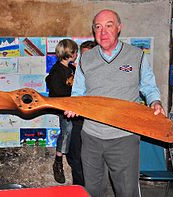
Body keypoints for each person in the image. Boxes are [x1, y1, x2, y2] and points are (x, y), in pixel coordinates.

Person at [65, 9, 165, 197]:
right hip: (91, 137)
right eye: (98, 27)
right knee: (93, 191)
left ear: (119, 28)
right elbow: (78, 93)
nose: (103, 32)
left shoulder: (137, 56)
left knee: (127, 191)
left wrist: (155, 102)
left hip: (124, 137)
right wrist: (73, 106)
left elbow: (149, 87)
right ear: (93, 31)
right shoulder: (86, 58)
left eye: (109, 26)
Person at [45, 39, 78, 184]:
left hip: (73, 106)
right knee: (67, 130)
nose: (76, 54)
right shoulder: (57, 70)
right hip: (64, 106)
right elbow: (56, 91)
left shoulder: (71, 68)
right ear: (70, 53)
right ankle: (58, 161)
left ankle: (70, 157)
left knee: (73, 132)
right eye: (75, 52)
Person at [66, 40, 97, 186]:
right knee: (74, 158)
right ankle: (79, 190)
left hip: (96, 124)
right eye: (83, 55)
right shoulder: (77, 72)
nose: (86, 59)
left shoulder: (101, 75)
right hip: (79, 122)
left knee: (94, 162)